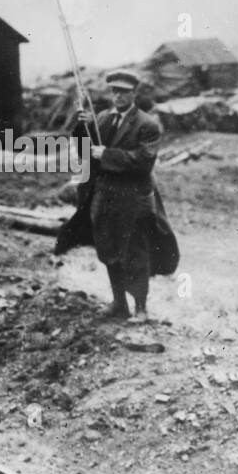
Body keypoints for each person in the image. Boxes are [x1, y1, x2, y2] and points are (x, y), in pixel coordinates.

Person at [54, 70, 179, 322]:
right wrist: (82, 126)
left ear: (134, 93)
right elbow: (85, 152)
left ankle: (141, 309)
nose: (118, 96)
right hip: (104, 197)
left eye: (123, 91)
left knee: (135, 253)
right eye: (114, 91)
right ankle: (119, 303)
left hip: (133, 199)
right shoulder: (101, 118)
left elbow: (143, 161)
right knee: (108, 249)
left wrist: (107, 155)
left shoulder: (148, 124)